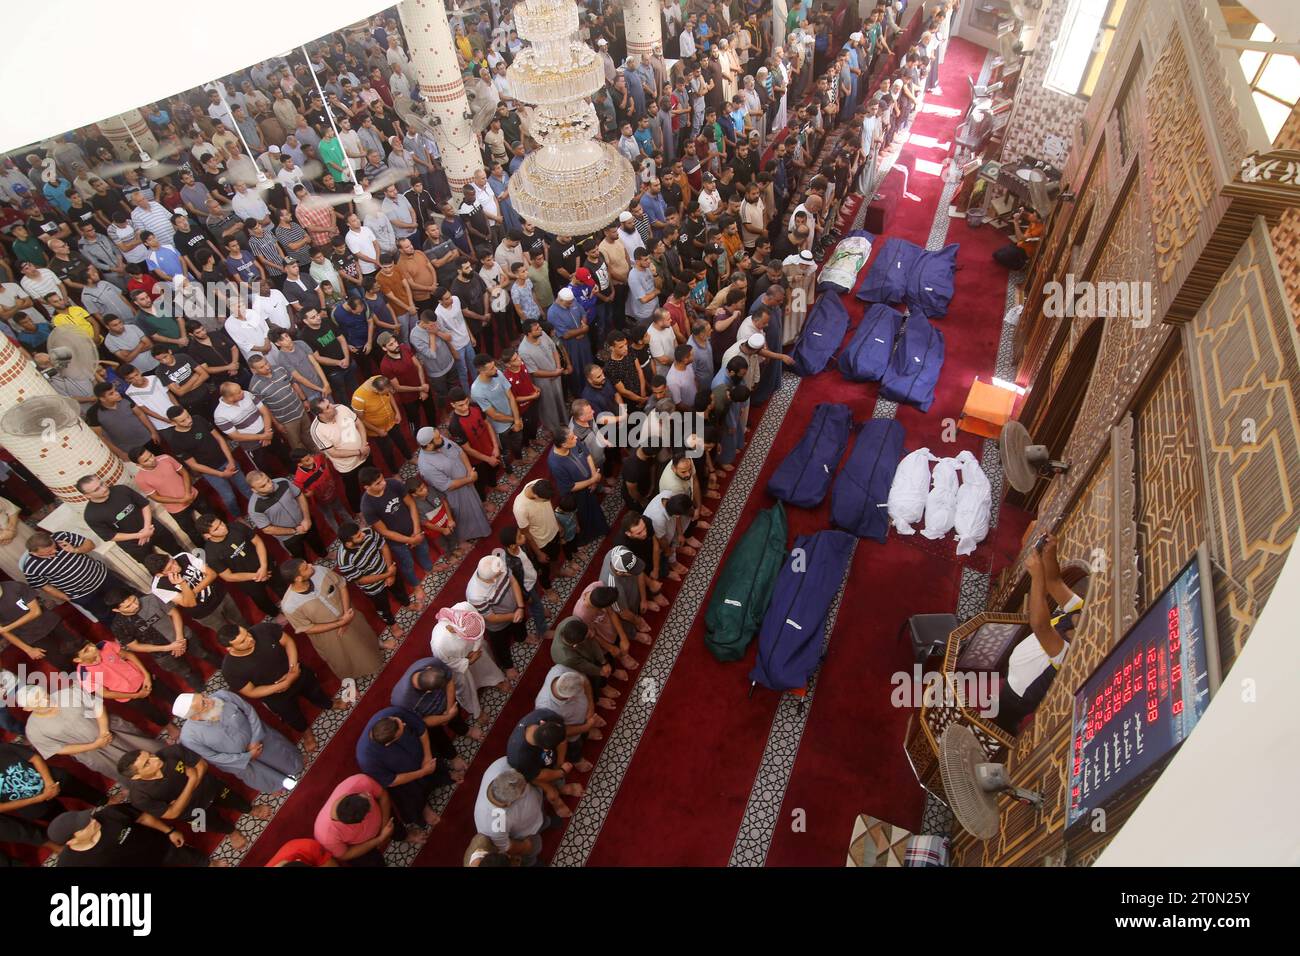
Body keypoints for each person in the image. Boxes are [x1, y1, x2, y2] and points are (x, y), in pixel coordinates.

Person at [995, 535, 1083, 733]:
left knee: (1003, 721)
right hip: (1014, 675)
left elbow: (1040, 626)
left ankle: (1001, 738)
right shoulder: (1080, 610)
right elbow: (1054, 582)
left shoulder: (1067, 651)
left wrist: (1036, 577)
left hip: (1019, 694)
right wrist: (1049, 554)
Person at [218, 621, 345, 753]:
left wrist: (292, 670)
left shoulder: (263, 629)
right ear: (230, 648)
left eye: (247, 633)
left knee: (315, 691)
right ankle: (306, 733)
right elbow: (250, 691)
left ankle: (328, 703)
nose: (250, 639)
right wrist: (283, 685)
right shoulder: (230, 669)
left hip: (296, 672)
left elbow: (288, 642)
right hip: (275, 695)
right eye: (243, 641)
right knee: (292, 716)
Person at [119, 741, 268, 850]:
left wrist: (181, 798)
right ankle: (231, 832)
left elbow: (202, 765)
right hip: (191, 813)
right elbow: (172, 813)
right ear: (136, 777)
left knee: (234, 799)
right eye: (146, 764)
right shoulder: (139, 797)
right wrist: (192, 780)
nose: (155, 759)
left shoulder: (171, 752)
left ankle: (250, 809)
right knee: (211, 824)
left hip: (211, 787)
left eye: (150, 755)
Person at [18, 683, 161, 785]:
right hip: (93, 753)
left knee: (151, 750)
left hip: (114, 731)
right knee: (125, 773)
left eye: (45, 695)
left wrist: (104, 730)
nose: (46, 700)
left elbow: (97, 705)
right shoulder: (33, 730)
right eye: (38, 701)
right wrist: (94, 745)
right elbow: (59, 749)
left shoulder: (67, 693)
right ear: (27, 708)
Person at [174, 690, 304, 794]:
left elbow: (250, 712)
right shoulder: (189, 737)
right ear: (194, 717)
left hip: (260, 739)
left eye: (203, 696)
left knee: (284, 755)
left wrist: (255, 740)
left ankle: (296, 765)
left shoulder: (223, 696)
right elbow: (213, 757)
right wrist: (247, 756)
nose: (210, 701)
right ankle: (276, 786)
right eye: (203, 704)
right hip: (240, 762)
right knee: (263, 776)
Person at [280, 558, 392, 679]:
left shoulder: (320, 571)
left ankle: (377, 645)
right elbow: (307, 628)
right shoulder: (289, 605)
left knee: (364, 634)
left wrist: (345, 615)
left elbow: (341, 585)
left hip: (348, 613)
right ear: (298, 578)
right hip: (329, 634)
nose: (311, 565)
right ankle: (350, 680)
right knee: (342, 657)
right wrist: (340, 624)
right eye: (306, 567)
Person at [355, 707, 451, 836]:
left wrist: (427, 757)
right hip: (404, 778)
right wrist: (422, 772)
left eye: (399, 722)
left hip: (420, 754)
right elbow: (391, 781)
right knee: (407, 794)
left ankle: (443, 777)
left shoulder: (391, 714)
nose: (404, 724)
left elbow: (420, 728)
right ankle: (424, 808)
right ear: (389, 743)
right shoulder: (366, 758)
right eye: (401, 729)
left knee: (435, 761)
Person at [0, 738, 104, 854]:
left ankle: (104, 801)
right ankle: (81, 832)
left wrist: (49, 784)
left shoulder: (4, 749)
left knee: (65, 779)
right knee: (52, 817)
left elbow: (35, 758)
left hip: (48, 781)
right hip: (31, 802)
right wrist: (39, 798)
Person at [104, 585, 217, 691]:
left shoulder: (151, 599)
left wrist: (179, 639)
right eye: (128, 606)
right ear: (116, 610)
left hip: (182, 636)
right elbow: (134, 646)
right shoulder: (118, 626)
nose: (135, 605)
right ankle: (205, 693)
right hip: (161, 654)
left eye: (134, 600)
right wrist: (168, 647)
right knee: (186, 673)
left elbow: (174, 613)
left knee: (204, 653)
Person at [19, 530, 130, 624]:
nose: (55, 551)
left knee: (128, 597)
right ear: (34, 553)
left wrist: (75, 550)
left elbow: (90, 544)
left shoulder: (61, 537)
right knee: (106, 616)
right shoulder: (31, 568)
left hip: (103, 578)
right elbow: (46, 587)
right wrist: (66, 598)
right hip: (83, 595)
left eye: (54, 547)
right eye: (48, 552)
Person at [428, 602, 507, 733]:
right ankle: (476, 711)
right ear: (452, 629)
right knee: (466, 687)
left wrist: (475, 649)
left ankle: (495, 679)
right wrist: (468, 662)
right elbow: (447, 663)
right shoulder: (439, 644)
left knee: (485, 664)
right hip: (458, 666)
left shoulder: (464, 608)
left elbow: (478, 629)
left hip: (475, 651)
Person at [48, 804, 208, 867]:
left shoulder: (110, 813)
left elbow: (143, 817)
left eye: (87, 818)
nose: (92, 820)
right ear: (71, 841)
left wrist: (169, 831)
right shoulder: (69, 864)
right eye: (84, 826)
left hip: (163, 849)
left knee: (195, 859)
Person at [165, 406, 254, 517]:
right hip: (210, 472)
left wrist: (231, 460)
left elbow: (220, 439)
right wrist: (221, 474)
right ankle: (238, 518)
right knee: (229, 497)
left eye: (188, 416)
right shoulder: (176, 441)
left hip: (226, 461)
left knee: (245, 487)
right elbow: (194, 465)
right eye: (183, 420)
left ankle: (258, 509)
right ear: (173, 423)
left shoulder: (198, 419)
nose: (189, 420)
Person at [72, 637, 177, 729]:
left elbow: (128, 655)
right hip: (127, 696)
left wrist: (147, 675)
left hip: (141, 678)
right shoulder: (83, 674)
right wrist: (136, 695)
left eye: (90, 644)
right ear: (77, 659)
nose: (93, 648)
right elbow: (106, 693)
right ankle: (170, 727)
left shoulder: (105, 645)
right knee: (151, 712)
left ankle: (190, 709)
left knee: (169, 694)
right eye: (86, 650)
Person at [144, 549, 245, 634]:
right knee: (227, 634)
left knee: (241, 621)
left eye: (173, 561)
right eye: (170, 568)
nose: (175, 566)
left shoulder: (184, 557)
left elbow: (212, 574)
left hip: (220, 595)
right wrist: (183, 583)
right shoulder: (159, 587)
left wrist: (190, 593)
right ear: (160, 574)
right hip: (204, 613)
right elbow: (190, 603)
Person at [334, 520, 411, 632]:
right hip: (372, 587)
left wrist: (389, 570)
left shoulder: (368, 532)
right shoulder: (344, 560)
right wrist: (387, 574)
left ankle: (407, 603)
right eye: (359, 535)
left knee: (399, 588)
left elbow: (383, 547)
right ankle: (392, 624)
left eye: (360, 531)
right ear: (349, 543)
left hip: (386, 568)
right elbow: (361, 580)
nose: (363, 534)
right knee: (383, 607)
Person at [472, 759, 549, 864]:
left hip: (538, 811)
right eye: (523, 791)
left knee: (545, 821)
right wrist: (526, 846)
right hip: (526, 835)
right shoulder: (494, 824)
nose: (527, 786)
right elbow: (506, 846)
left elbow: (530, 775)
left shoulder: (503, 765)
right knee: (535, 849)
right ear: (508, 804)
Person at [0, 577, 84, 670]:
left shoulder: (15, 586)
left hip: (51, 623)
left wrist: (7, 628)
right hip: (32, 637)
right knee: (61, 663)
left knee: (82, 649)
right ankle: (81, 681)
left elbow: (36, 611)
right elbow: (4, 632)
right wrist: (28, 649)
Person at [314, 773, 401, 863]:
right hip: (360, 846)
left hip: (384, 818)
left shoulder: (359, 781)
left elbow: (383, 796)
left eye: (366, 796)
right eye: (368, 811)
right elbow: (344, 855)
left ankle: (402, 836)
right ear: (359, 822)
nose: (369, 796)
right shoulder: (325, 835)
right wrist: (380, 839)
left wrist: (384, 826)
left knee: (396, 826)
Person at [548, 427, 609, 544]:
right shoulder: (555, 463)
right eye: (572, 437)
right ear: (564, 444)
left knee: (595, 509)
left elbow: (587, 455)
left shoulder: (574, 442)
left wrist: (594, 477)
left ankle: (601, 528)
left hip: (590, 486)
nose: (576, 438)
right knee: (584, 517)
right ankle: (587, 538)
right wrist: (592, 481)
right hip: (577, 495)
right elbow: (570, 487)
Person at [309, 397, 371, 511]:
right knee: (353, 490)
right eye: (328, 407)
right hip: (347, 466)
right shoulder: (317, 430)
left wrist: (364, 445)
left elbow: (359, 424)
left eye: (329, 403)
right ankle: (359, 512)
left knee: (372, 478)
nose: (332, 406)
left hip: (365, 453)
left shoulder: (341, 408)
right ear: (320, 414)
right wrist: (359, 452)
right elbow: (333, 453)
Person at [246, 470, 323, 560]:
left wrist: (307, 518)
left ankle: (324, 555)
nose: (270, 485)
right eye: (263, 486)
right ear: (254, 490)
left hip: (305, 522)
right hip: (288, 537)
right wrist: (294, 531)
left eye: (268, 480)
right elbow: (267, 529)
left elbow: (299, 496)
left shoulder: (283, 482)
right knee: (301, 560)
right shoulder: (254, 508)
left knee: (317, 542)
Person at [131, 448, 203, 542]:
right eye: (146, 460)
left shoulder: (165, 458)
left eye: (151, 455)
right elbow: (156, 497)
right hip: (175, 508)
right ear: (138, 465)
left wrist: (187, 493)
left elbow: (184, 473)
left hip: (193, 494)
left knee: (212, 516)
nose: (152, 459)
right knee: (193, 533)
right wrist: (181, 500)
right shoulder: (140, 479)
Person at [351, 374, 413, 473]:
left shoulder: (379, 379)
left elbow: (390, 395)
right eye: (384, 393)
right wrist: (377, 430)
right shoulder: (358, 399)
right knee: (387, 450)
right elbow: (360, 420)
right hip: (378, 430)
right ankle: (395, 472)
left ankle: (409, 457)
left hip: (392, 421)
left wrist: (397, 412)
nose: (387, 394)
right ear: (376, 391)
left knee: (401, 440)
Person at [516, 318, 566, 433]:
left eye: (539, 326)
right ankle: (554, 428)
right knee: (549, 404)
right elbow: (534, 372)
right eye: (537, 329)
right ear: (529, 333)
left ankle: (563, 419)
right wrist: (554, 373)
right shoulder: (524, 350)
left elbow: (553, 349)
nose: (541, 329)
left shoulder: (542, 334)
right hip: (543, 381)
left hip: (556, 374)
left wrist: (558, 367)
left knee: (559, 398)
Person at [291, 447, 354, 534]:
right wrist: (308, 495)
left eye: (310, 456)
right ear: (300, 464)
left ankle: (353, 525)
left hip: (332, 492)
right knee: (329, 516)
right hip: (320, 501)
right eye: (307, 460)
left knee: (341, 509)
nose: (312, 459)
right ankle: (340, 534)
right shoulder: (299, 479)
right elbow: (299, 494)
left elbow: (324, 461)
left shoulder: (319, 458)